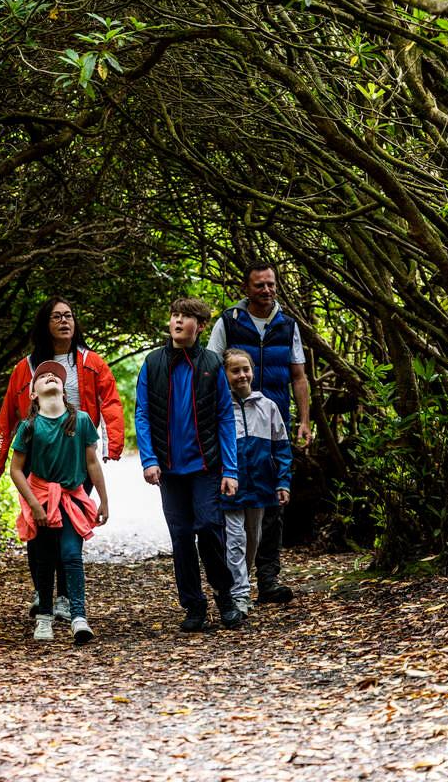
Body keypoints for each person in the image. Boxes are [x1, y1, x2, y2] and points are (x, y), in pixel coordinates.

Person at [0, 296, 124, 618]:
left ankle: (63, 597)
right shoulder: (27, 368)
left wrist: (112, 444)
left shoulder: (91, 362)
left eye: (69, 316)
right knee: (38, 529)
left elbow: (111, 402)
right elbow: (7, 415)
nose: (65, 321)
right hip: (37, 460)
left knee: (70, 528)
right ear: (45, 324)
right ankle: (41, 591)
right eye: (56, 317)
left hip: (76, 459)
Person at [135, 297, 244, 632]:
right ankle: (194, 606)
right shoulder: (153, 363)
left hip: (206, 467)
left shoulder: (212, 363)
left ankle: (225, 598)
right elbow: (142, 414)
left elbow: (226, 417)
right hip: (169, 469)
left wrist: (230, 469)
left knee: (210, 529)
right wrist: (149, 459)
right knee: (181, 537)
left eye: (186, 317)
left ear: (200, 326)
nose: (178, 321)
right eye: (174, 316)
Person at [208, 260, 311, 604]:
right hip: (232, 423)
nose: (266, 291)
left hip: (273, 421)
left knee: (274, 503)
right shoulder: (229, 322)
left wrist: (304, 421)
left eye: (270, 284)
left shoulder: (288, 325)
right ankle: (234, 582)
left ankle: (267, 579)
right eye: (259, 286)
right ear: (246, 289)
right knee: (233, 506)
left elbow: (298, 376)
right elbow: (209, 370)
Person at [10, 360, 108, 644]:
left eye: (56, 375)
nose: (50, 376)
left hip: (72, 498)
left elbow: (92, 462)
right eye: (42, 376)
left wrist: (103, 499)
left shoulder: (81, 421)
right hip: (40, 497)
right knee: (44, 558)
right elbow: (16, 470)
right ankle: (44, 617)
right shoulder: (29, 427)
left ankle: (79, 617)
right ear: (33, 394)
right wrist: (34, 505)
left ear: (65, 391)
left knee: (71, 555)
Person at [221, 349, 291, 615]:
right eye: (235, 371)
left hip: (261, 485)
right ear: (225, 374)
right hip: (233, 485)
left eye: (245, 369)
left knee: (254, 537)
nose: (242, 375)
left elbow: (282, 447)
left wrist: (282, 482)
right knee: (235, 538)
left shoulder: (268, 406)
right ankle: (238, 594)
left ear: (253, 371)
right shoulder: (222, 406)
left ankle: (242, 581)